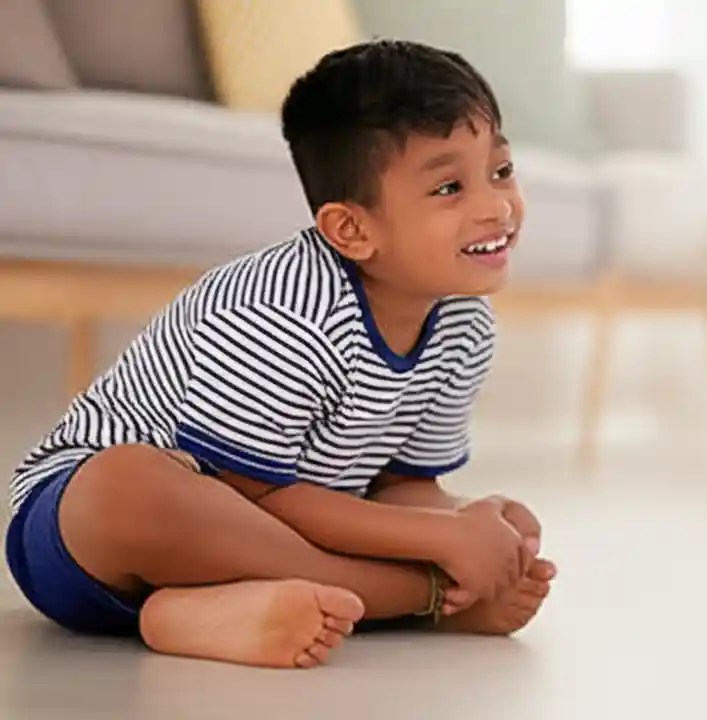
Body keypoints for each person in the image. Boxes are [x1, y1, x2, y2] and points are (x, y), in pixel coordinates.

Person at [3, 39, 556, 669]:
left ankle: (194, 614)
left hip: (271, 544)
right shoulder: (284, 310)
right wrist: (442, 553)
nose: (495, 207)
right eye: (450, 187)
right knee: (125, 482)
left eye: (501, 172)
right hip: (90, 543)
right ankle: (420, 600)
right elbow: (252, 493)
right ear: (352, 229)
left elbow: (399, 486)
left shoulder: (464, 324)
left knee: (483, 524)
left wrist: (475, 525)